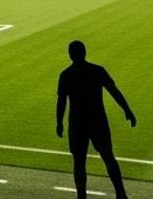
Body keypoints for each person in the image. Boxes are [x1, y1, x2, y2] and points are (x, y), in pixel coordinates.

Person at [56, 40, 136, 199]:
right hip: (97, 121)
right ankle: (121, 194)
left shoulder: (65, 75)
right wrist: (127, 110)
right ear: (85, 52)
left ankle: (81, 197)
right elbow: (114, 91)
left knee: (79, 162)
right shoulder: (97, 71)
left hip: (77, 124)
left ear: (70, 55)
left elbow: (61, 101)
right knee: (108, 156)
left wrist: (59, 123)